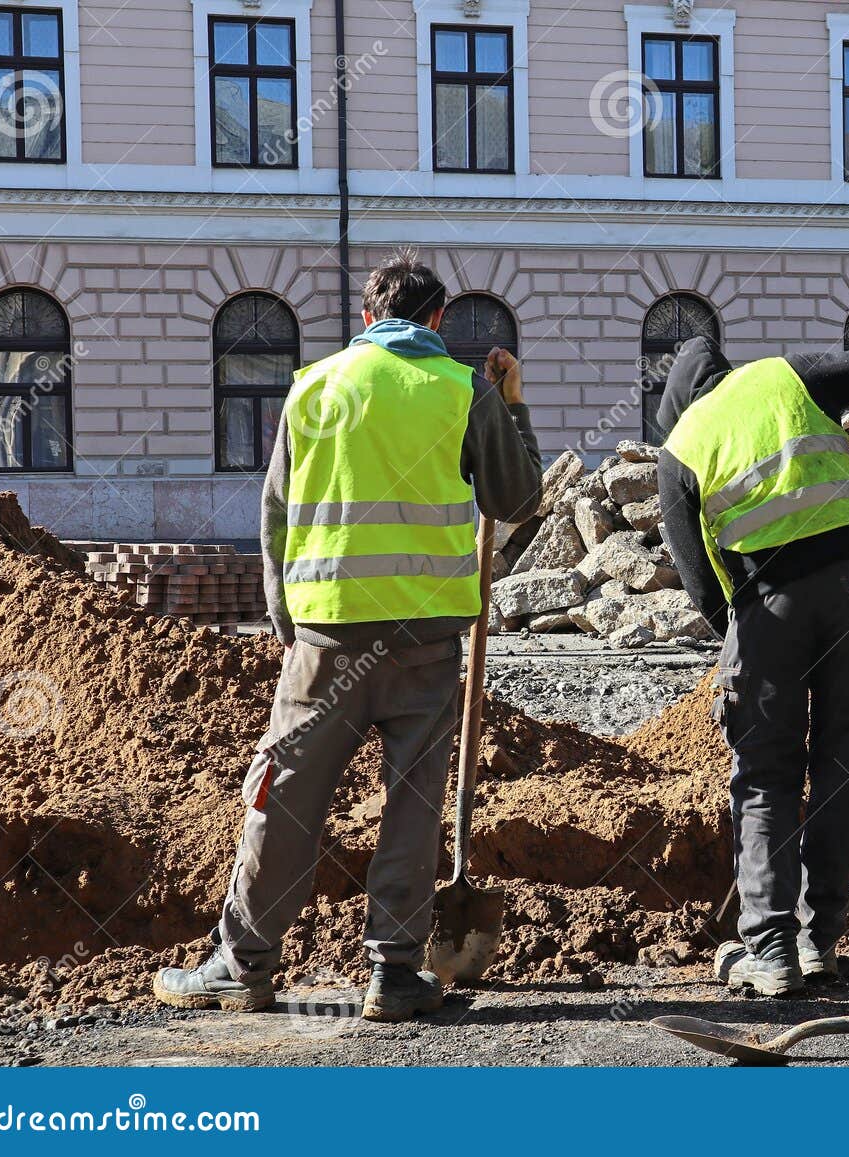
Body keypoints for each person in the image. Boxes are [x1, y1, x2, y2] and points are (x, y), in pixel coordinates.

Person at [154, 252, 542, 1021]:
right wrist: (511, 405)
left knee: (285, 797)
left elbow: (274, 517)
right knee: (411, 802)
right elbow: (518, 497)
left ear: (367, 318)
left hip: (327, 636)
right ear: (436, 322)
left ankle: (244, 961)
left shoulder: (314, 385)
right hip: (429, 638)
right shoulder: (464, 389)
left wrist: (285, 622)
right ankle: (395, 973)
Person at [656, 336, 849, 997]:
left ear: (676, 404)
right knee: (841, 762)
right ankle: (820, 944)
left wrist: (740, 648)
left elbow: (699, 580)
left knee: (765, 774)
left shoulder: (679, 448)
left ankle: (771, 950)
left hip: (770, 606)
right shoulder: (790, 375)